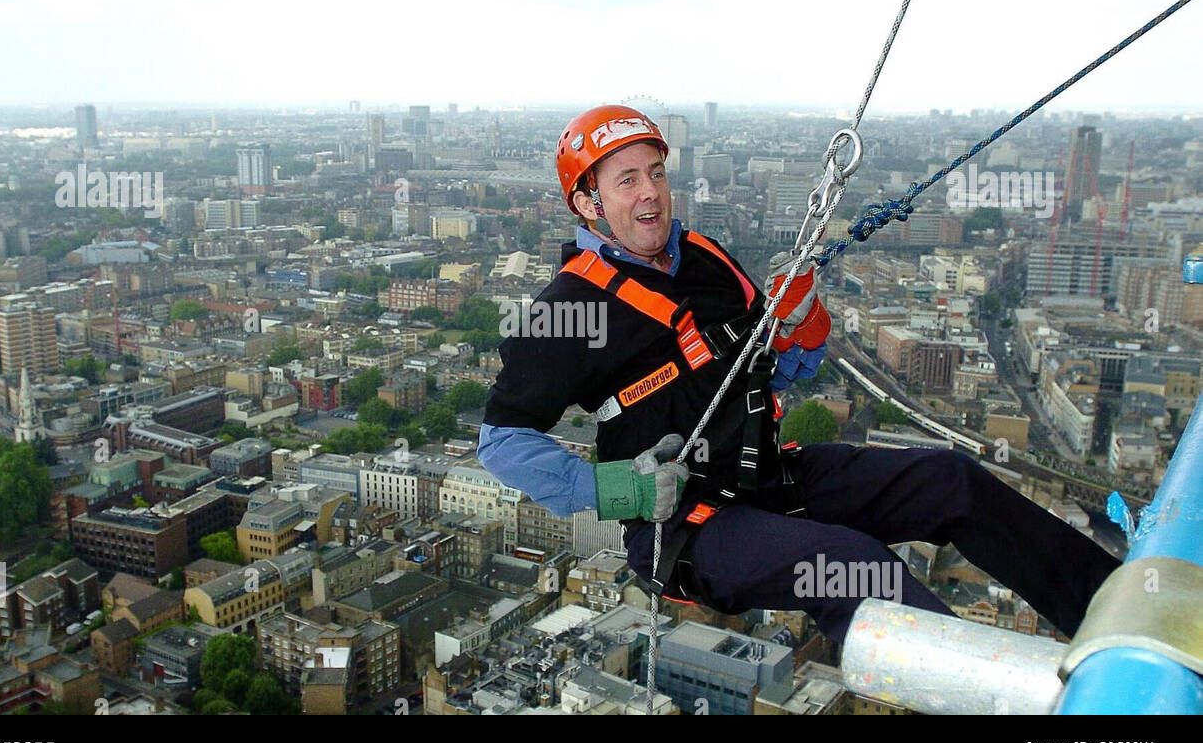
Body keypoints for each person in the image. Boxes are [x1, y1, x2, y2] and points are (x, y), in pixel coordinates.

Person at [478, 104, 1119, 645]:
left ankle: (1114, 613)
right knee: (853, 568)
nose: (650, 191)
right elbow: (501, 443)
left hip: (768, 477)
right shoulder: (567, 309)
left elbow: (769, 375)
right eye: (626, 181)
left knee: (949, 481)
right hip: (688, 528)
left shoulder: (704, 258)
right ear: (588, 203)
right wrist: (628, 493)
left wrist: (802, 326)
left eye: (656, 172)